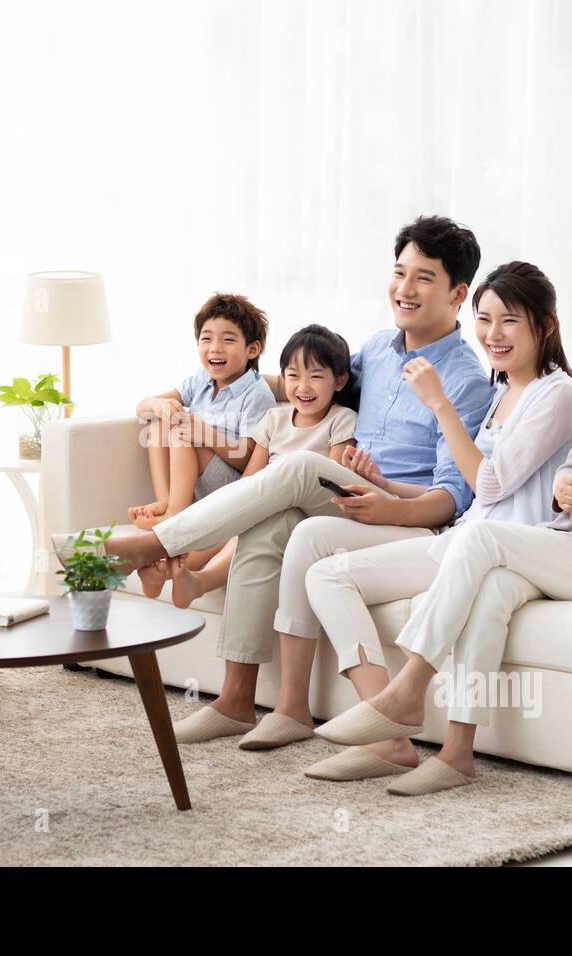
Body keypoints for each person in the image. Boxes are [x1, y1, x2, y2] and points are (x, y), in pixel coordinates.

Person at [317, 239, 572, 797]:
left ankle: (407, 690)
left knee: (484, 540)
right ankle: (457, 754)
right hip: (566, 538)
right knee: (491, 588)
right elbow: (571, 463)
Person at [98, 216, 496, 744]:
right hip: (344, 498)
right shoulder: (378, 350)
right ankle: (244, 700)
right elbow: (312, 378)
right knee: (274, 520)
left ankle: (154, 544)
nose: (404, 289)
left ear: (458, 293)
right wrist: (203, 386)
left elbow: (450, 498)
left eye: (423, 278)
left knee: (300, 468)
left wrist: (390, 508)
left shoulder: (464, 378)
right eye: (399, 272)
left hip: (402, 517)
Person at [268, 262, 572, 774]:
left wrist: (439, 405)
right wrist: (387, 485)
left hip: (515, 550)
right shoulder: (503, 392)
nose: (492, 335)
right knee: (326, 574)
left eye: (509, 321)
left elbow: (490, 483)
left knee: (326, 549)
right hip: (466, 539)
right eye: (485, 319)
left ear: (545, 325)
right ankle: (385, 729)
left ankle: (395, 711)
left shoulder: (559, 395)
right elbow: (469, 487)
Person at [157, 324, 360, 607]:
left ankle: (195, 578)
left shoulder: (342, 420)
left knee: (256, 524)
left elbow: (330, 480)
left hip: (306, 509)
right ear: (282, 378)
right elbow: (250, 480)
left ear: (338, 382)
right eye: (293, 376)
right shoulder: (274, 419)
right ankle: (176, 565)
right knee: (239, 516)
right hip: (266, 497)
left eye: (315, 377)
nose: (303, 387)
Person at [127, 293, 275, 533]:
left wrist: (207, 435)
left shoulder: (256, 393)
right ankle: (166, 501)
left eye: (228, 340)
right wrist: (158, 405)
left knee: (183, 432)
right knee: (157, 421)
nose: (215, 348)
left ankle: (176, 514)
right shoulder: (201, 380)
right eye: (206, 339)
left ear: (252, 349)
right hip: (193, 480)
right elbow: (142, 408)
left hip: (229, 486)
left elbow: (250, 458)